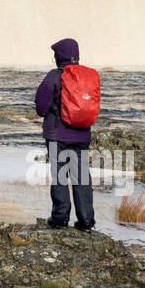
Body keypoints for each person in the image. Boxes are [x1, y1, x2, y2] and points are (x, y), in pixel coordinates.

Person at [34, 37, 95, 231]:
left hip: (57, 135)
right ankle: (86, 220)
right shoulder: (88, 76)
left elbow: (41, 107)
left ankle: (60, 218)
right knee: (82, 177)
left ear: (59, 57)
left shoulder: (54, 76)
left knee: (60, 175)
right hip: (82, 135)